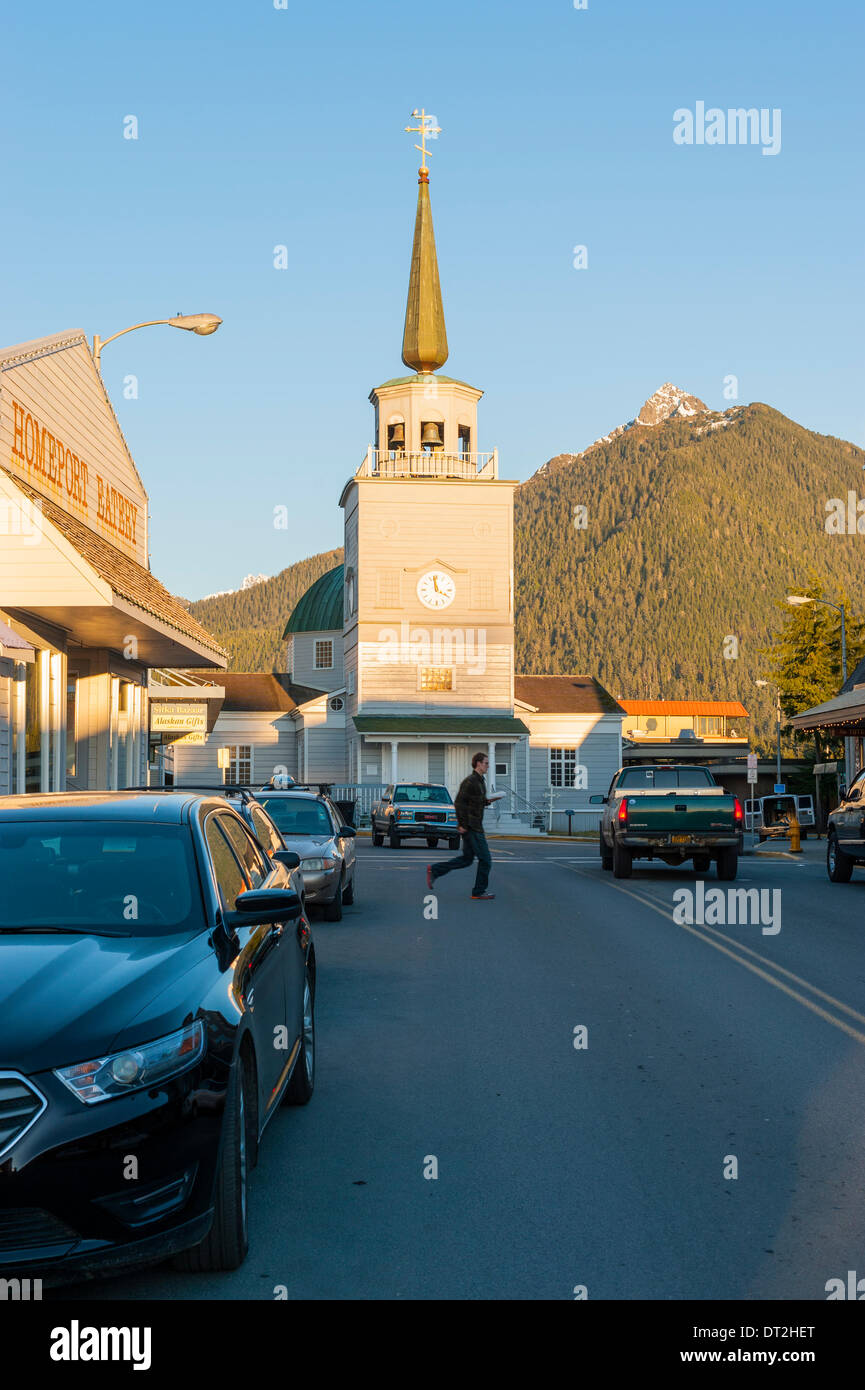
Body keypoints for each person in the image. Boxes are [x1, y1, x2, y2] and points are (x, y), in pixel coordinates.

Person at [426, 752, 494, 900]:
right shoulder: (470, 781)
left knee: (466, 860)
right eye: (486, 763)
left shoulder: (481, 781)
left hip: (475, 825)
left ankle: (435, 870)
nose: (488, 766)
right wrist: (462, 824)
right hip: (471, 827)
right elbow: (459, 803)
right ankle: (479, 891)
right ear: (478, 763)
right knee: (486, 859)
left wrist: (487, 801)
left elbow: (475, 801)